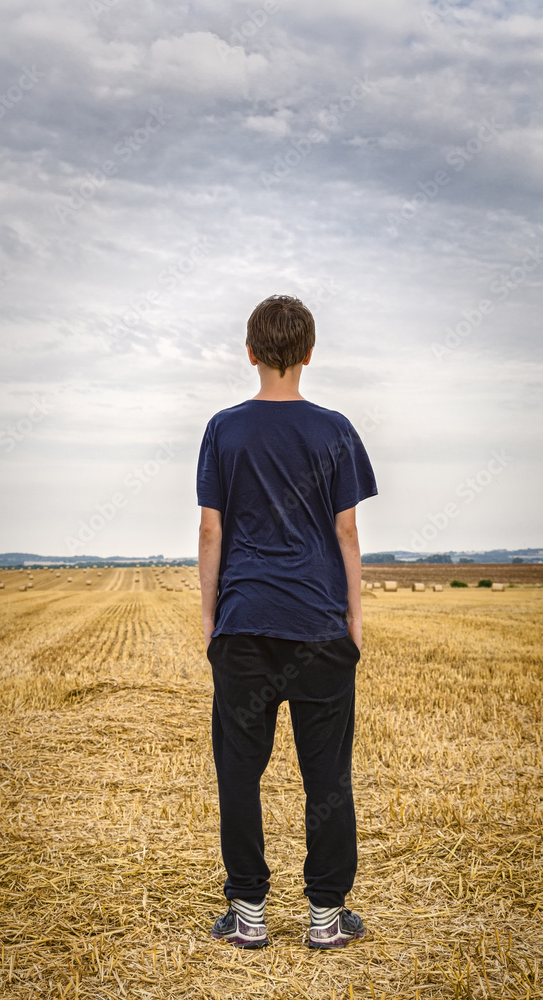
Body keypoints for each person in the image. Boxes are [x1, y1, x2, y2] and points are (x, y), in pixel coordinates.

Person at [196, 294, 378, 950]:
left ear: (250, 352)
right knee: (326, 774)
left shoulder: (223, 429)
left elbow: (210, 530)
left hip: (244, 623)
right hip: (319, 625)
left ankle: (246, 914)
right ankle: (326, 920)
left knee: (238, 770)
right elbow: (347, 531)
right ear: (307, 353)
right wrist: (354, 616)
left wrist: (213, 615)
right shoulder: (333, 430)